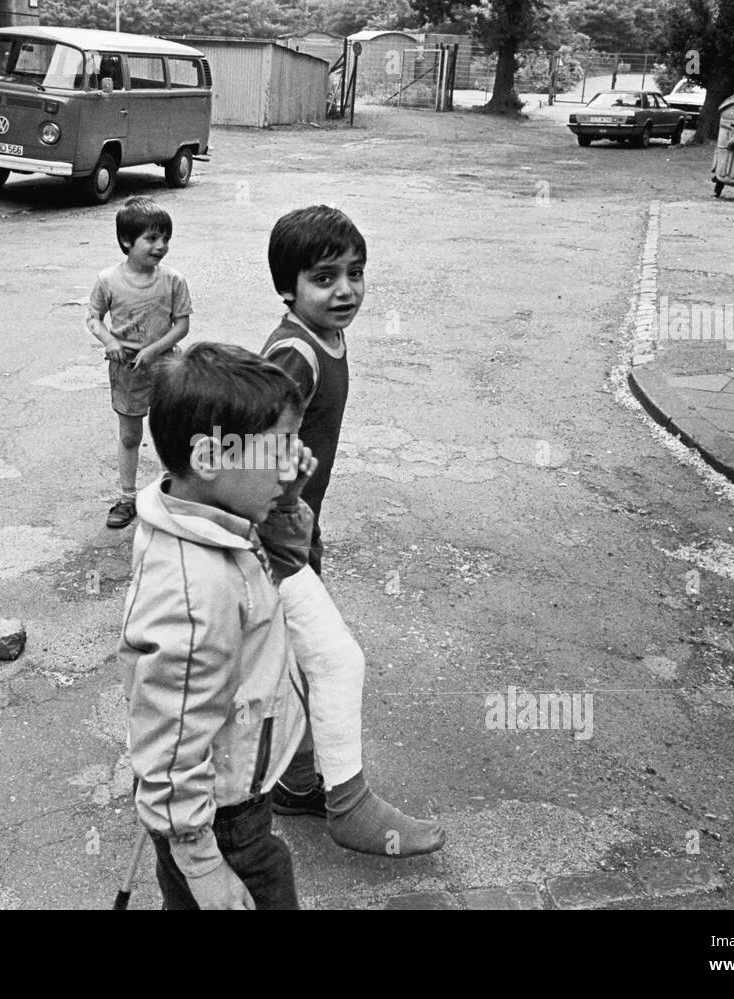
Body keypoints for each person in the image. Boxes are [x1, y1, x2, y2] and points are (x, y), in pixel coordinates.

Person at [259, 205, 444, 856]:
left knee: (298, 660)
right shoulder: (295, 351)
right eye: (325, 277)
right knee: (337, 660)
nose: (345, 290)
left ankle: (298, 778)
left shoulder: (326, 335)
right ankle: (349, 805)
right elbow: (250, 440)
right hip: (268, 541)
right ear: (289, 288)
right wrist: (282, 506)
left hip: (295, 530)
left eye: (355, 274)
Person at [119, 342, 315, 909]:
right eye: (278, 448)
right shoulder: (192, 595)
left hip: (229, 796)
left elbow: (279, 569)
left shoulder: (206, 515)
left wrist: (284, 503)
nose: (290, 462)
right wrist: (206, 869)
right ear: (208, 458)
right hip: (220, 824)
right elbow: (171, 750)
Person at [87, 196, 192, 529]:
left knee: (168, 432)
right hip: (126, 370)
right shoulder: (108, 280)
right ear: (126, 241)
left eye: (165, 239)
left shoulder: (173, 280)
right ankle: (127, 497)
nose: (161, 246)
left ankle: (171, 493)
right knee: (130, 435)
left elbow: (182, 325)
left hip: (165, 367)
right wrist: (111, 341)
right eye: (152, 238)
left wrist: (154, 350)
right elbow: (93, 318)